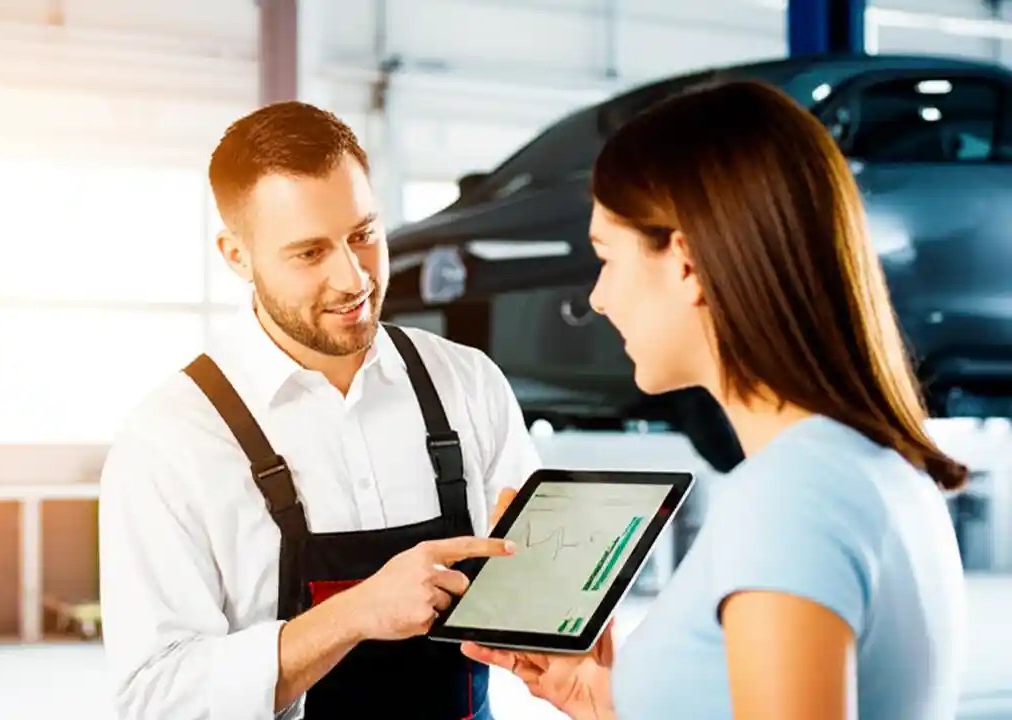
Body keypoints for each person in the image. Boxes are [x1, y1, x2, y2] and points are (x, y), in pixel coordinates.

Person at [462, 80, 968, 719]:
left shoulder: (791, 497)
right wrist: (605, 702)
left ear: (686, 263)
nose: (596, 298)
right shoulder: (870, 468)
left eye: (607, 258)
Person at [97, 101, 542, 720]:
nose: (353, 278)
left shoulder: (467, 383)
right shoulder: (170, 441)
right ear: (236, 255)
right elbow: (155, 698)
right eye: (309, 253)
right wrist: (355, 615)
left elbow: (530, 592)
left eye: (364, 234)